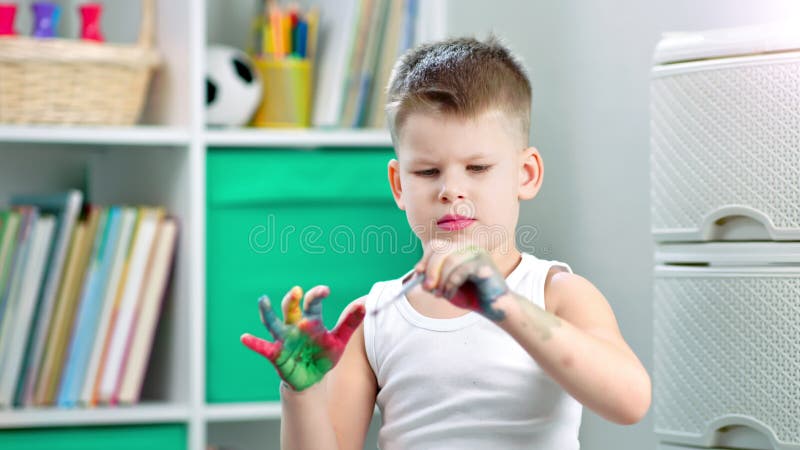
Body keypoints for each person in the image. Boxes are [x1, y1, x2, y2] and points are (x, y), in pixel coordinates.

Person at [240, 35, 651, 449]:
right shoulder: (374, 318)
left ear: (525, 174)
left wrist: (507, 307)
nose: (452, 190)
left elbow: (630, 402)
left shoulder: (556, 294)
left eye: (477, 167)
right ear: (399, 185)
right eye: (427, 172)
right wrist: (302, 394)